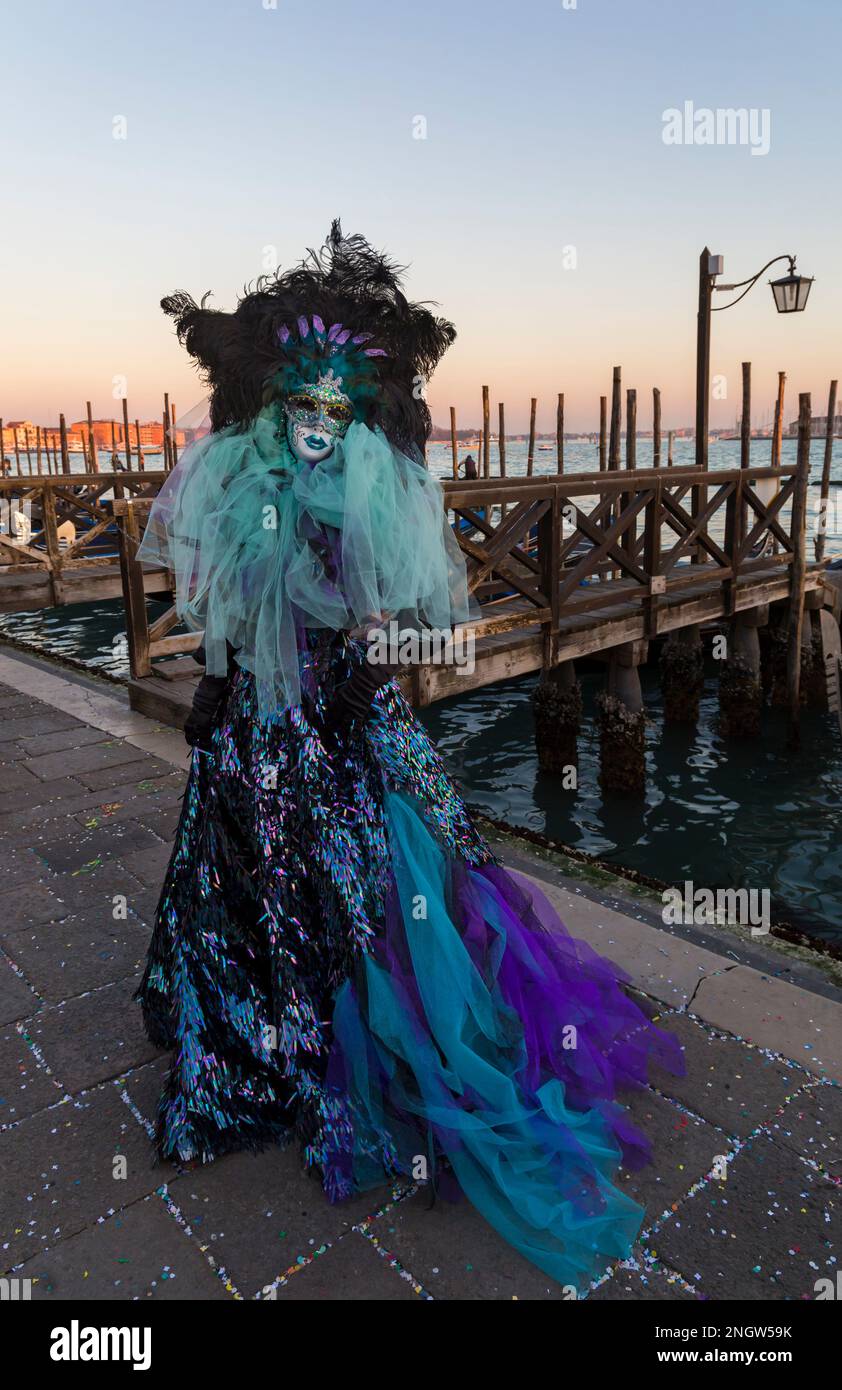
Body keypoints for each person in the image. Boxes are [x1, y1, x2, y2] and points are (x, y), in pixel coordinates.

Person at [135, 221, 682, 1289]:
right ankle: (263, 1039)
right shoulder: (235, 481)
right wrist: (223, 680)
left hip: (342, 728)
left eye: (329, 407)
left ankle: (356, 1046)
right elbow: (231, 605)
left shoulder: (369, 488)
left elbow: (381, 619)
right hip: (254, 726)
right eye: (297, 403)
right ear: (271, 402)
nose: (312, 424)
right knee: (250, 878)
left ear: (354, 409)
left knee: (382, 888)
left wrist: (357, 671)